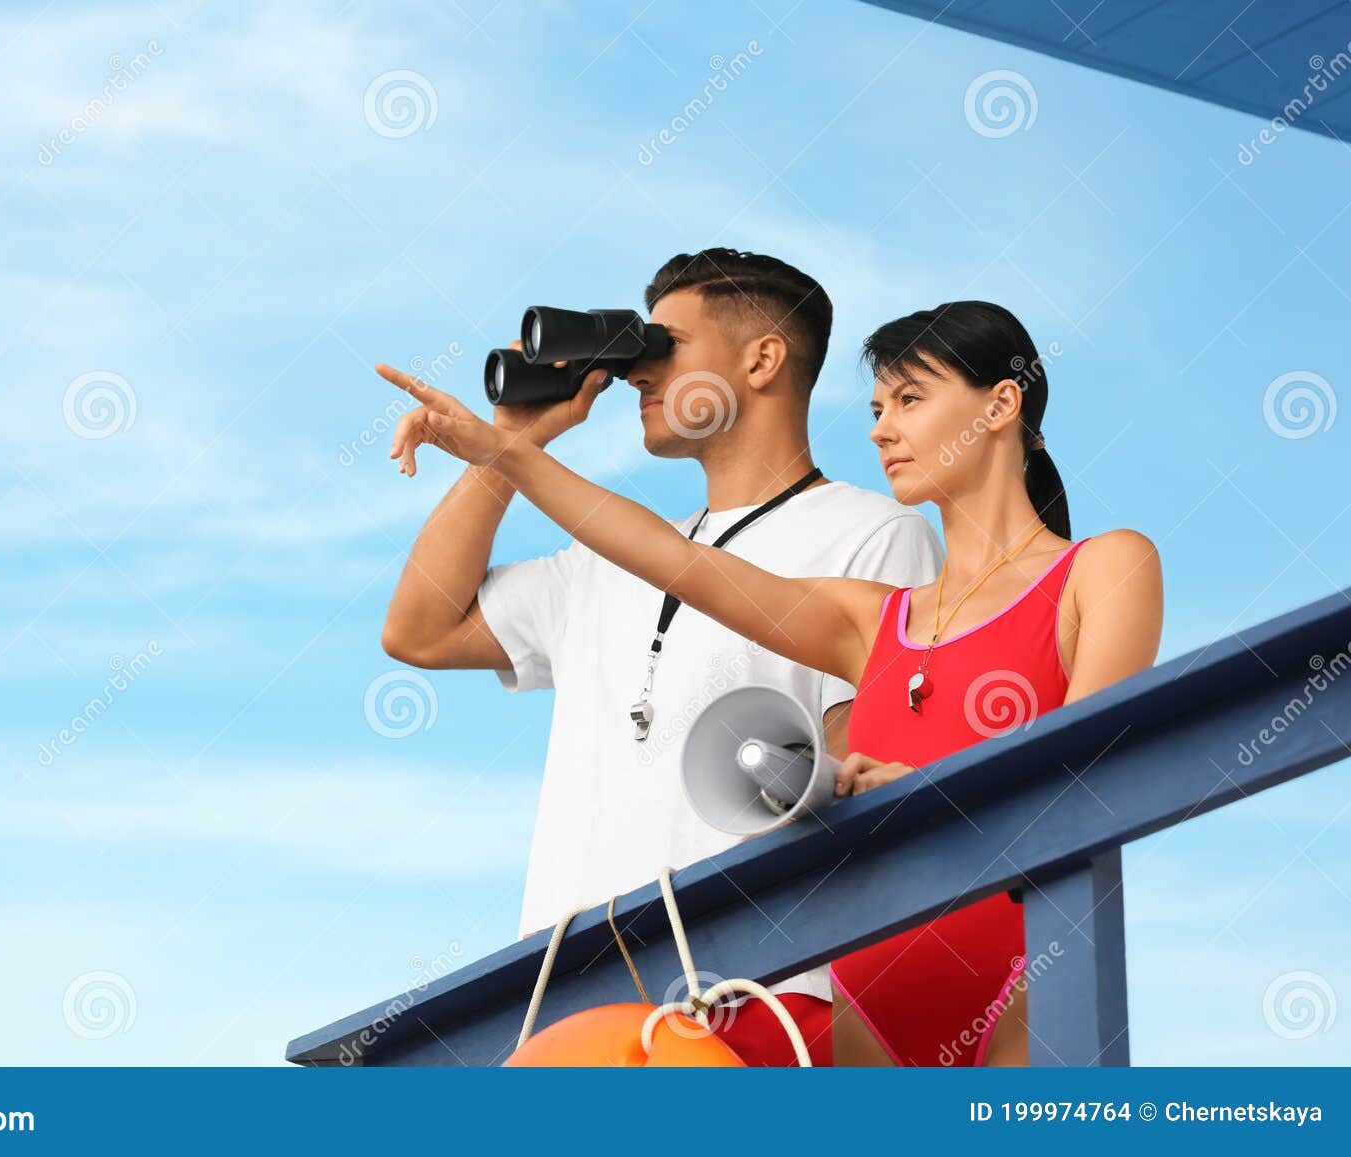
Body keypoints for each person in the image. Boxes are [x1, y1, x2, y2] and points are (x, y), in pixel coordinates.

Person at [381, 299, 1164, 1067]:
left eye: (911, 399)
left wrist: (930, 795)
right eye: (878, 404)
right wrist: (502, 451)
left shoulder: (1105, 567)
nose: (881, 427)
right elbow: (673, 557)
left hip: (1023, 974)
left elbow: (1086, 779)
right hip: (867, 1000)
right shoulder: (871, 620)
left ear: (1000, 404)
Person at [377, 250, 943, 1064]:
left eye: (665, 345)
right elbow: (419, 629)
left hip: (756, 997)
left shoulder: (873, 533)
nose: (639, 370)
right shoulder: (608, 559)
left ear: (762, 358)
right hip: (566, 1014)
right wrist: (511, 447)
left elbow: (865, 771)